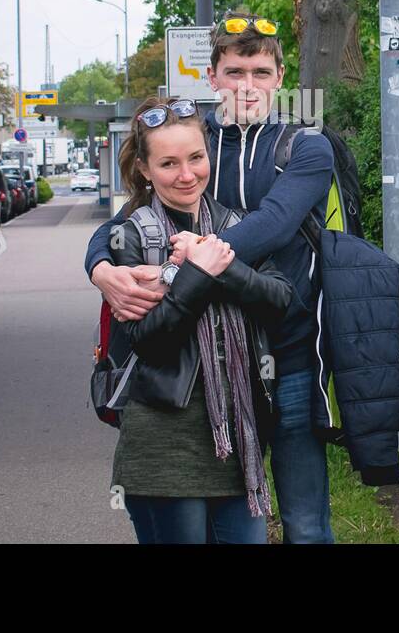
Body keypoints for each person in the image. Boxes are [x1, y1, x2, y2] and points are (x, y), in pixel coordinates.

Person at [86, 12, 338, 543]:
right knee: (222, 513)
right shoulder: (196, 143)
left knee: (304, 524)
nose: (248, 86)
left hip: (291, 354)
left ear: (280, 77)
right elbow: (128, 219)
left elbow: (272, 226)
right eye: (235, 72)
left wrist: (191, 262)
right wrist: (101, 267)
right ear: (212, 77)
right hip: (215, 367)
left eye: (261, 73)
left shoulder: (306, 146)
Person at [109, 97, 293, 544]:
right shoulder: (129, 236)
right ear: (145, 170)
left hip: (237, 440)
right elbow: (150, 342)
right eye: (168, 163)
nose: (187, 174)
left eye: (195, 157)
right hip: (164, 444)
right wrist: (197, 273)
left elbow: (279, 300)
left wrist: (219, 263)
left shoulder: (234, 224)